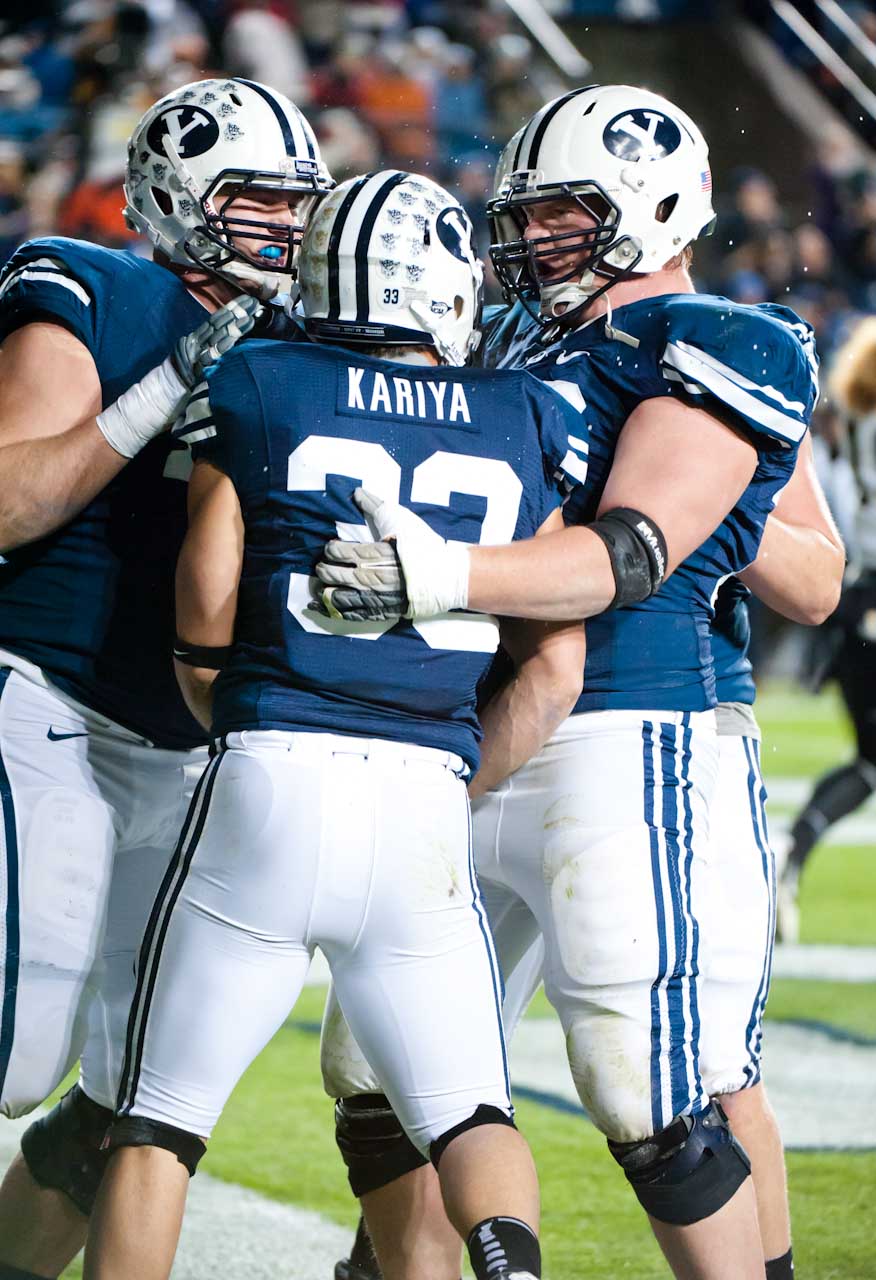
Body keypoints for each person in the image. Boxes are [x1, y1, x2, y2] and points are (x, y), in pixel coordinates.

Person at [316, 85, 840, 1280]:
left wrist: (707, 491)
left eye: (565, 215)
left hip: (641, 724)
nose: (534, 238)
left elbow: (805, 581)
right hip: (474, 722)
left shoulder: (715, 336)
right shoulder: (501, 337)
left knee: (675, 1072)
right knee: (386, 1064)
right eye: (529, 215)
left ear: (657, 206)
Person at [81, 168, 588, 1280]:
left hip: (271, 767)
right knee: (470, 1111)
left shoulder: (263, 377)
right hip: (421, 793)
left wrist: (234, 701)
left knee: (160, 1117)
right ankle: (512, 1270)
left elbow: (204, 604)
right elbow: (558, 652)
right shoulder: (526, 412)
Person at [0, 76, 332, 1280]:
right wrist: (164, 385)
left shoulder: (305, 337)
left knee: (132, 1092)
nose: (283, 231)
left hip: (198, 741)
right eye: (255, 201)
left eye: (299, 206)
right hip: (43, 696)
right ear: (176, 194)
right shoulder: (95, 288)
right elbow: (8, 497)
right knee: (16, 1054)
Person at [777, 316, 876, 941]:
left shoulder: (857, 420)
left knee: (871, 762)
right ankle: (791, 846)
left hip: (858, 596)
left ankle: (795, 847)